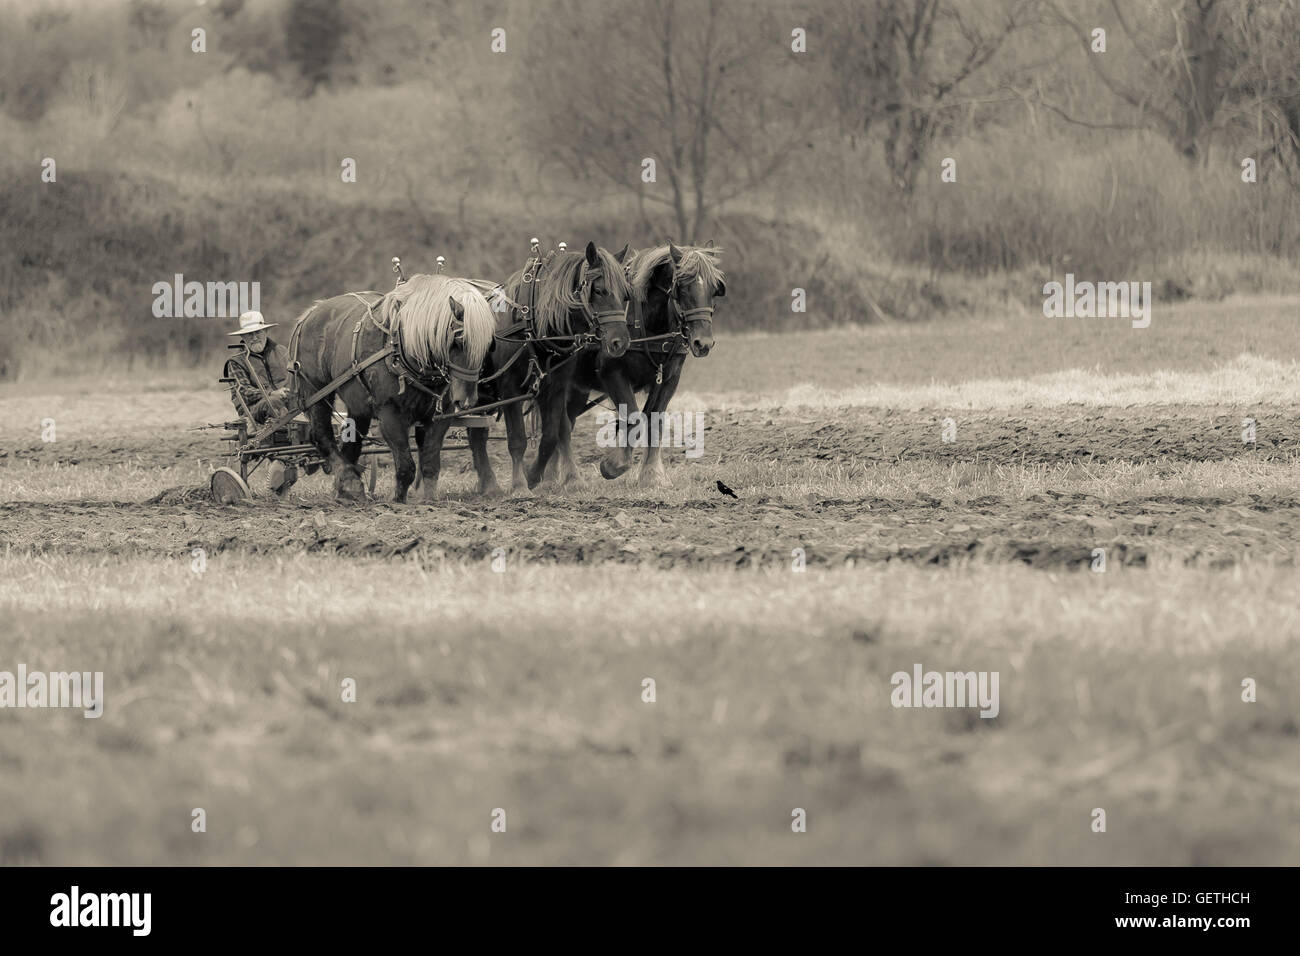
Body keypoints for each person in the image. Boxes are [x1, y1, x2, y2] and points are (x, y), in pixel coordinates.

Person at [224, 310, 299, 495]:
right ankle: (282, 454)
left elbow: (295, 378)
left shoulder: (283, 352)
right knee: (274, 401)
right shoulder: (236, 362)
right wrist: (272, 393)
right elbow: (244, 391)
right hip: (254, 411)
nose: (254, 337)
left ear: (266, 332)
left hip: (288, 407)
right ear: (243, 336)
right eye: (249, 334)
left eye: (257, 332)